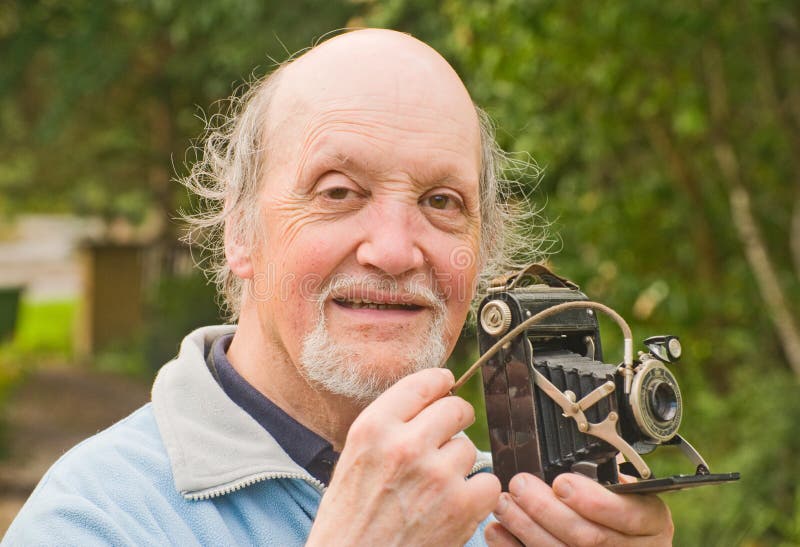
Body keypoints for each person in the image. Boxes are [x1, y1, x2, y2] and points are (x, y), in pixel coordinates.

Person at [3, 29, 673, 545]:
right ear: (240, 231)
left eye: (441, 201)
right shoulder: (95, 518)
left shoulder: (521, 506)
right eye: (339, 192)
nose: (395, 250)